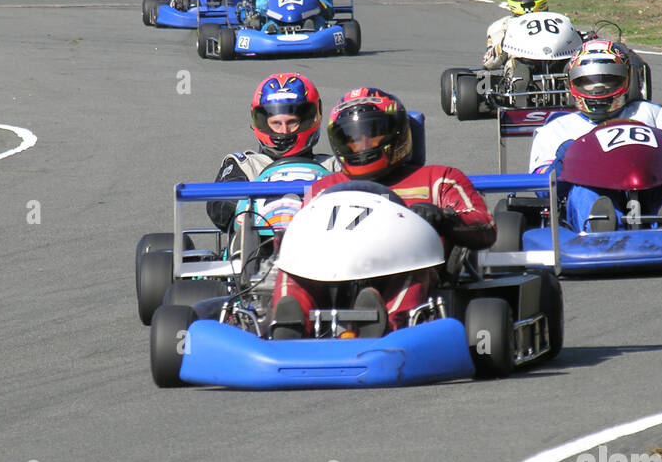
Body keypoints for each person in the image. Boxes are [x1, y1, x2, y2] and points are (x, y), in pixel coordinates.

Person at [271, 87, 496, 338]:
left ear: (396, 134)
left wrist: (444, 218)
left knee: (411, 265)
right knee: (294, 269)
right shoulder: (324, 187)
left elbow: (484, 226)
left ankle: (388, 328)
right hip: (332, 272)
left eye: (372, 135)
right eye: (353, 138)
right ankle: (287, 329)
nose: (362, 145)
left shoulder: (438, 179)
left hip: (407, 269)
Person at [528, 40, 662, 232]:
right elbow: (542, 188)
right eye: (587, 82)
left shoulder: (653, 114)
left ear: (627, 79)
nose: (598, 89)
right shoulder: (557, 128)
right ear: (572, 83)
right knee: (586, 190)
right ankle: (599, 225)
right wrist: (563, 162)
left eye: (608, 79)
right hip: (588, 196)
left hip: (651, 184)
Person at [207, 73, 338, 238]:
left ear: (310, 120)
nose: (284, 131)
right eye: (276, 123)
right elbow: (218, 207)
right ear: (262, 123)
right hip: (258, 251)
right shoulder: (246, 165)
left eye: (292, 122)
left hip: (320, 243)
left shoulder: (332, 166)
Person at [482, 0, 552, 69]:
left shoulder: (555, 21)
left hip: (554, 61)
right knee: (521, 66)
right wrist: (505, 43)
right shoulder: (502, 26)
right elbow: (488, 62)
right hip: (518, 67)